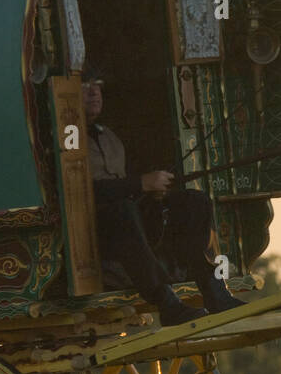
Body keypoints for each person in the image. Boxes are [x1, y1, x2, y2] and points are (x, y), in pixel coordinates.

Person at [82, 63, 246, 325]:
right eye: (85, 86)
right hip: (93, 231)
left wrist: (153, 192)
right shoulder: (65, 141)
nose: (94, 93)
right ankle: (166, 302)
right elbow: (84, 192)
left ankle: (214, 291)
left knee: (193, 201)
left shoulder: (110, 137)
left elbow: (129, 183)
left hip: (129, 222)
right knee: (122, 212)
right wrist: (141, 185)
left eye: (98, 86)